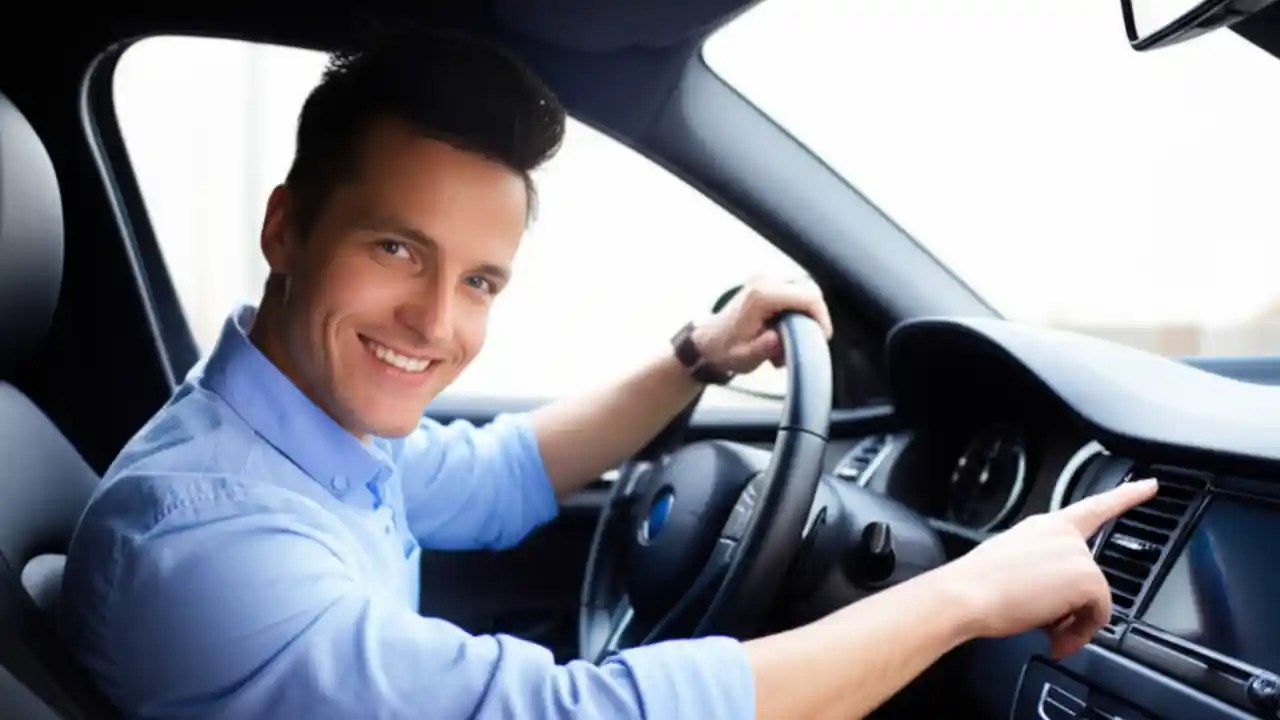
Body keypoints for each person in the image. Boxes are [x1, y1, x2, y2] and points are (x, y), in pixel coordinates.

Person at [58, 29, 1158, 720]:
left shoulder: (301, 436)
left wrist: (696, 357)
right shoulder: (210, 546)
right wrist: (963, 593)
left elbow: (496, 475)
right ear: (286, 231)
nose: (435, 322)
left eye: (480, 281)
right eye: (395, 249)